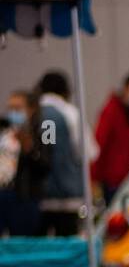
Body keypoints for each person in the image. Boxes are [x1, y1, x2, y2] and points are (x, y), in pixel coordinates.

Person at [36, 71, 95, 236]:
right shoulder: (70, 114)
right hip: (67, 195)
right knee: (66, 246)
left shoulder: (34, 112)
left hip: (37, 195)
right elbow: (87, 152)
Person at [92, 71, 129, 204]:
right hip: (112, 180)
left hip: (128, 178)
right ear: (127, 88)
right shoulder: (111, 111)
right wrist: (93, 178)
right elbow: (99, 144)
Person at [0, 90, 50, 235]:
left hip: (24, 197)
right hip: (3, 193)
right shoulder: (5, 131)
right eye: (10, 108)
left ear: (31, 109)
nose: (13, 112)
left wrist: (29, 148)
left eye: (18, 108)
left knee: (22, 240)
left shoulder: (45, 130)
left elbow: (45, 165)